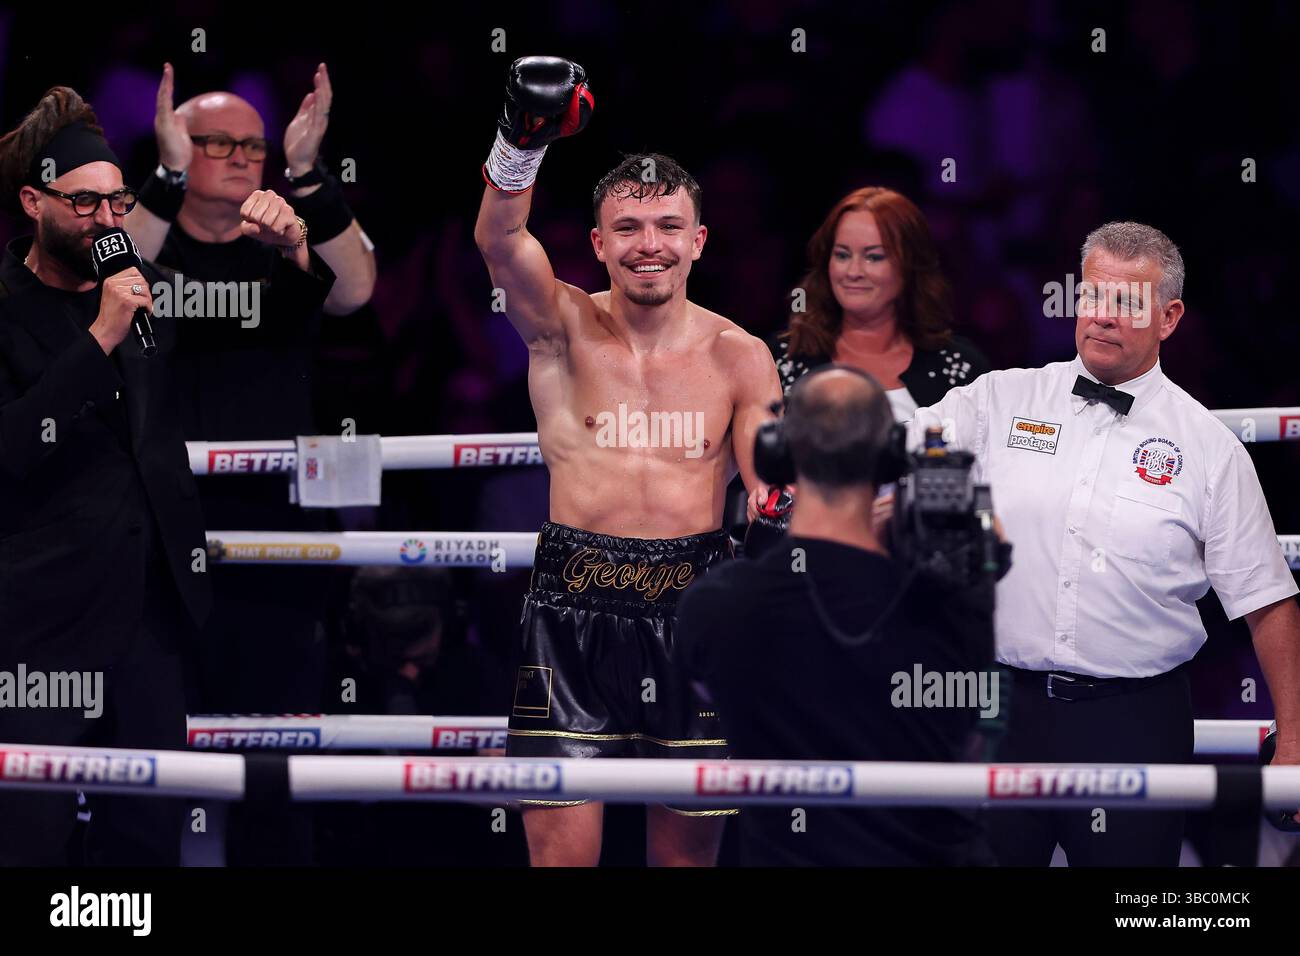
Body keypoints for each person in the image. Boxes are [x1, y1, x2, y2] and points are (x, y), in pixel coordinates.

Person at [911, 220, 1300, 865]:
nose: (1102, 317)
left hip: (1135, 719)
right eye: (1092, 296)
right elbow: (884, 448)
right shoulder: (1000, 401)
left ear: (1168, 318)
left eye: (1128, 303)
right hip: (1005, 709)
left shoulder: (1209, 450)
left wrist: (1293, 740)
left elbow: (1266, 602)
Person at [474, 56, 781, 866]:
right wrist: (519, 144)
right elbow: (499, 240)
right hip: (568, 614)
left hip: (697, 617)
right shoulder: (559, 325)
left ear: (699, 240)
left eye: (670, 227)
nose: (652, 246)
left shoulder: (740, 355)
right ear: (599, 242)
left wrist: (783, 494)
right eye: (632, 229)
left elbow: (768, 478)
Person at [0, 86, 313, 864]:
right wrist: (99, 337)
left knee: (143, 835)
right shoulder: (11, 309)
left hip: (149, 614)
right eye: (85, 205)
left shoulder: (143, 290)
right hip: (36, 625)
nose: (108, 221)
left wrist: (293, 246)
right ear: (33, 201)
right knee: (27, 835)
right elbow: (10, 447)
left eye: (120, 203)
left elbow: (273, 319)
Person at [124, 62, 357, 866]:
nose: (236, 155)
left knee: (273, 772)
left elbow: (355, 289)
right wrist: (163, 176)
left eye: (250, 144)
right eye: (212, 141)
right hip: (155, 541)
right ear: (177, 145)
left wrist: (307, 180)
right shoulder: (138, 238)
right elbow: (114, 282)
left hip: (274, 541)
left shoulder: (283, 243)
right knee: (148, 767)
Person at [677, 365, 998, 865]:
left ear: (778, 452)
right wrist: (976, 558)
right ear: (892, 459)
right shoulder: (948, 606)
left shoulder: (716, 605)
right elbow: (974, 715)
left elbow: (707, 688)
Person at [771, 186, 991, 422]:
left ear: (909, 266)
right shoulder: (782, 360)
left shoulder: (961, 367)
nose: (853, 271)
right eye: (842, 255)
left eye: (874, 257)